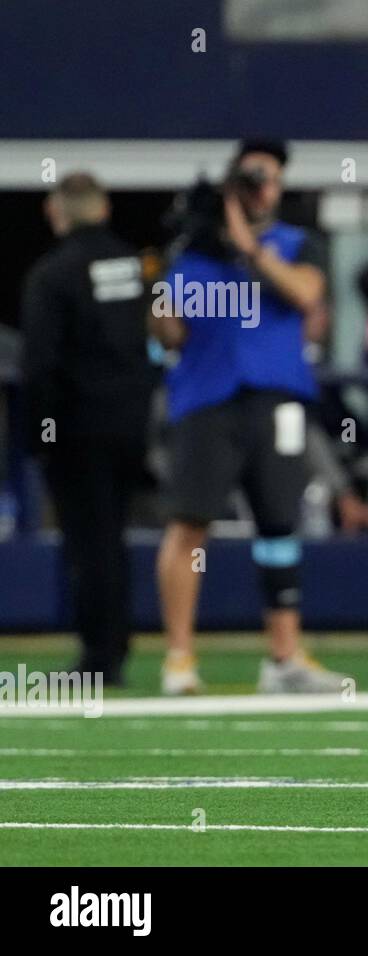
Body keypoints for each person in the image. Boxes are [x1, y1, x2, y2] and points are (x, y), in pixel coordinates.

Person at [150, 139, 346, 694]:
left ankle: (284, 659)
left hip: (275, 398)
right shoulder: (194, 253)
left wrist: (249, 248)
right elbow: (169, 332)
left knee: (280, 526)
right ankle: (180, 660)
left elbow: (308, 297)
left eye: (271, 179)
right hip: (206, 400)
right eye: (252, 179)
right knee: (189, 523)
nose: (264, 189)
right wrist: (168, 282)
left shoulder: (297, 244)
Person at [20, 173, 154, 684]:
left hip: (78, 430)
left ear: (58, 213)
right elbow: (152, 342)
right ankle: (114, 646)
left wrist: (40, 435)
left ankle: (99, 656)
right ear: (104, 208)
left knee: (88, 543)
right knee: (113, 539)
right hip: (128, 425)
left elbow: (40, 367)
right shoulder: (135, 267)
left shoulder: (53, 274)